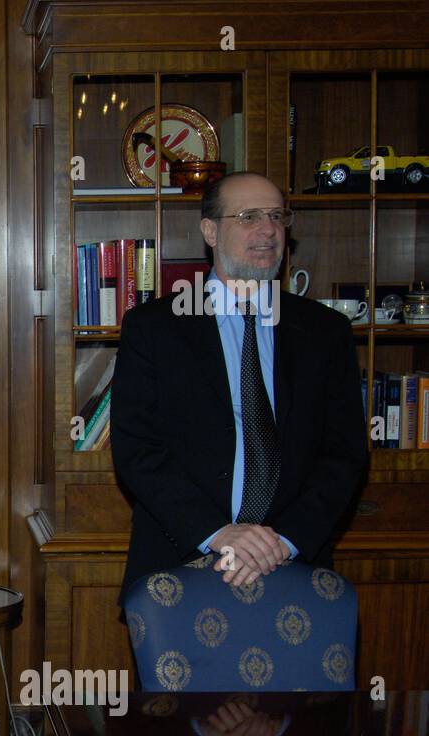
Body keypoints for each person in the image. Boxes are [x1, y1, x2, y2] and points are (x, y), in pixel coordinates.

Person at [112, 171, 367, 596]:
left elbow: (343, 455)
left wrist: (281, 542)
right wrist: (219, 534)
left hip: (293, 566)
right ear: (210, 230)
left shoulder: (326, 332)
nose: (267, 230)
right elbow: (137, 449)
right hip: (181, 565)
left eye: (276, 216)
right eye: (248, 216)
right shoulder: (155, 328)